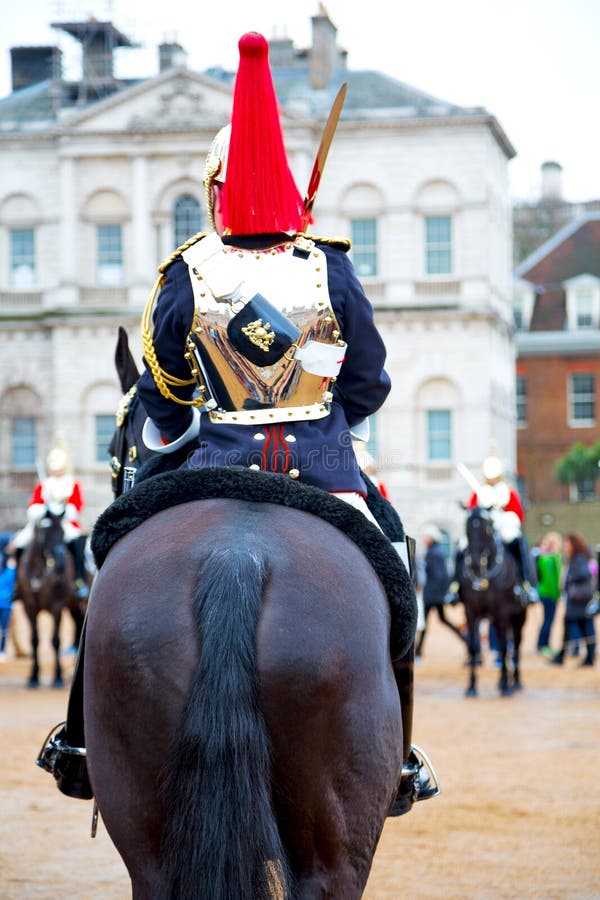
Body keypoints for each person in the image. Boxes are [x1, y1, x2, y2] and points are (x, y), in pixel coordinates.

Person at [37, 32, 438, 814]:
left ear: (216, 191)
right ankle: (396, 760)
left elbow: (162, 392)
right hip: (324, 471)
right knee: (396, 573)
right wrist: (322, 417)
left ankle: (80, 739)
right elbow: (370, 380)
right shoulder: (331, 264)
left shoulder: (186, 271)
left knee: (112, 561)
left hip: (210, 467)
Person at [445, 454, 538, 605]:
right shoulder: (479, 492)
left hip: (502, 526)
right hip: (482, 530)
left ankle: (525, 583)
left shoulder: (508, 492)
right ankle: (455, 586)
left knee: (518, 543)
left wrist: (502, 514)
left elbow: (518, 513)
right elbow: (471, 511)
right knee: (461, 547)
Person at [11, 439, 89, 599]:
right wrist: (43, 508)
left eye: (58, 468)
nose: (55, 471)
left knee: (77, 543)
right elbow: (33, 505)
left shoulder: (72, 484)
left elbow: (77, 505)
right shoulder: (43, 485)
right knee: (20, 543)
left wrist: (61, 509)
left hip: (64, 523)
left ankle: (79, 580)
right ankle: (17, 585)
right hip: (45, 522)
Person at [416, 525, 466, 659]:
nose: (424, 539)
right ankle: (465, 638)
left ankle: (418, 651)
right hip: (433, 594)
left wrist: (431, 594)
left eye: (425, 537)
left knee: (425, 623)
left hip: (432, 595)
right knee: (442, 620)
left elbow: (439, 576)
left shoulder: (434, 553)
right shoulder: (434, 551)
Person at [550, 532, 596, 667]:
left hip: (578, 602)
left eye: (567, 544)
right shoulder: (575, 558)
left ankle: (587, 657)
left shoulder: (579, 559)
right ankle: (566, 656)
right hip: (577, 602)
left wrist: (570, 578)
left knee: (584, 629)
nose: (565, 546)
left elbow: (584, 574)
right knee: (580, 628)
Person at [534, 532, 562, 656]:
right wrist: (557, 594)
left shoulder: (546, 558)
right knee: (548, 621)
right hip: (549, 594)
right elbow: (552, 580)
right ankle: (542, 645)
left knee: (548, 620)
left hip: (548, 593)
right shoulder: (549, 560)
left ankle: (544, 644)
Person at [0, 535, 17, 662]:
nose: (13, 545)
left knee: (5, 628)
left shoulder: (12, 561)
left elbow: (12, 583)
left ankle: (2, 651)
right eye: (11, 543)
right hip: (3, 599)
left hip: (6, 602)